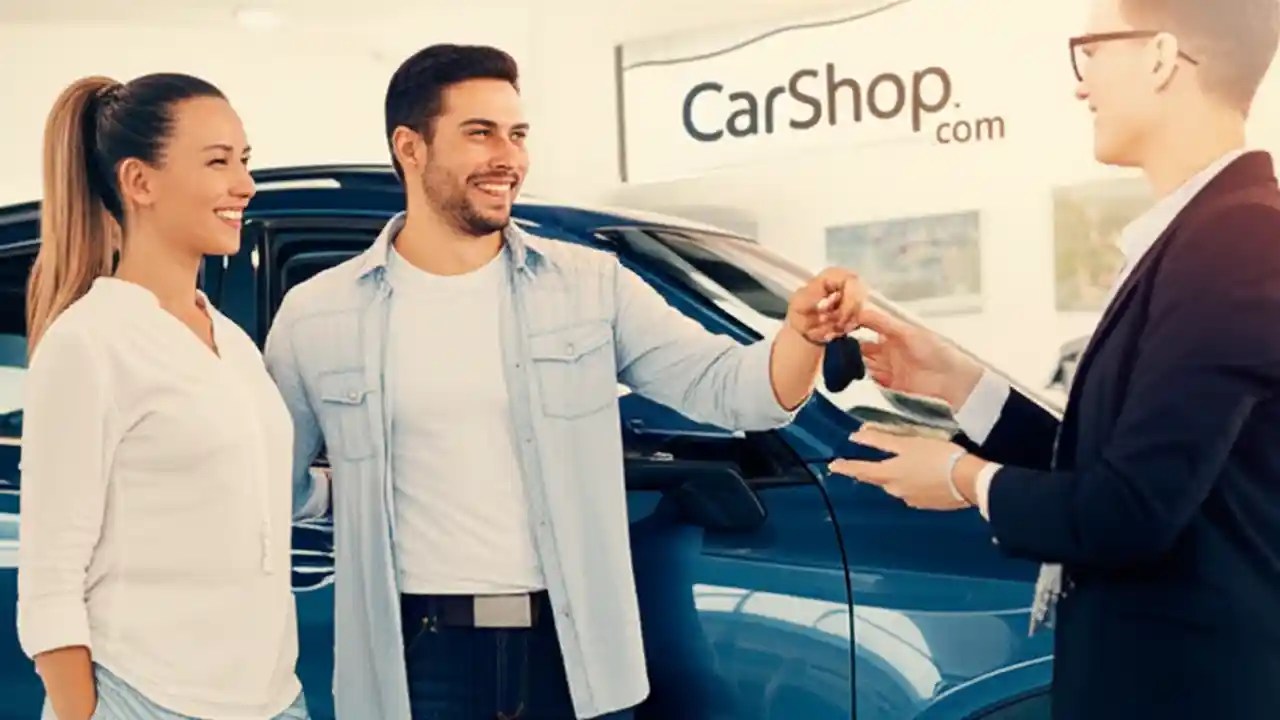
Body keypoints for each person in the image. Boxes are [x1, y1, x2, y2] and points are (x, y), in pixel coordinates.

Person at [263, 43, 865, 719]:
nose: (508, 157)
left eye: (517, 135)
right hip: (412, 663)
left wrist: (801, 336)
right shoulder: (318, 316)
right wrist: (344, 488)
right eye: (480, 133)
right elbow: (269, 482)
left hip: (573, 660)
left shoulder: (587, 287)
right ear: (410, 147)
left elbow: (733, 388)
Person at [828, 0, 1280, 718]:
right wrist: (958, 381)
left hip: (1186, 688)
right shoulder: (1205, 234)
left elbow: (1128, 511)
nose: (1080, 84)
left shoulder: (1234, 243)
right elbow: (1116, 469)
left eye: (1091, 50)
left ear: (1161, 58)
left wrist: (962, 477)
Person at [17, 74, 308, 720]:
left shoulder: (232, 343)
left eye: (244, 160)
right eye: (217, 161)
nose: (244, 184)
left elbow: (259, 490)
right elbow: (49, 578)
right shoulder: (89, 343)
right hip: (147, 698)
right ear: (139, 183)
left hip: (273, 699)